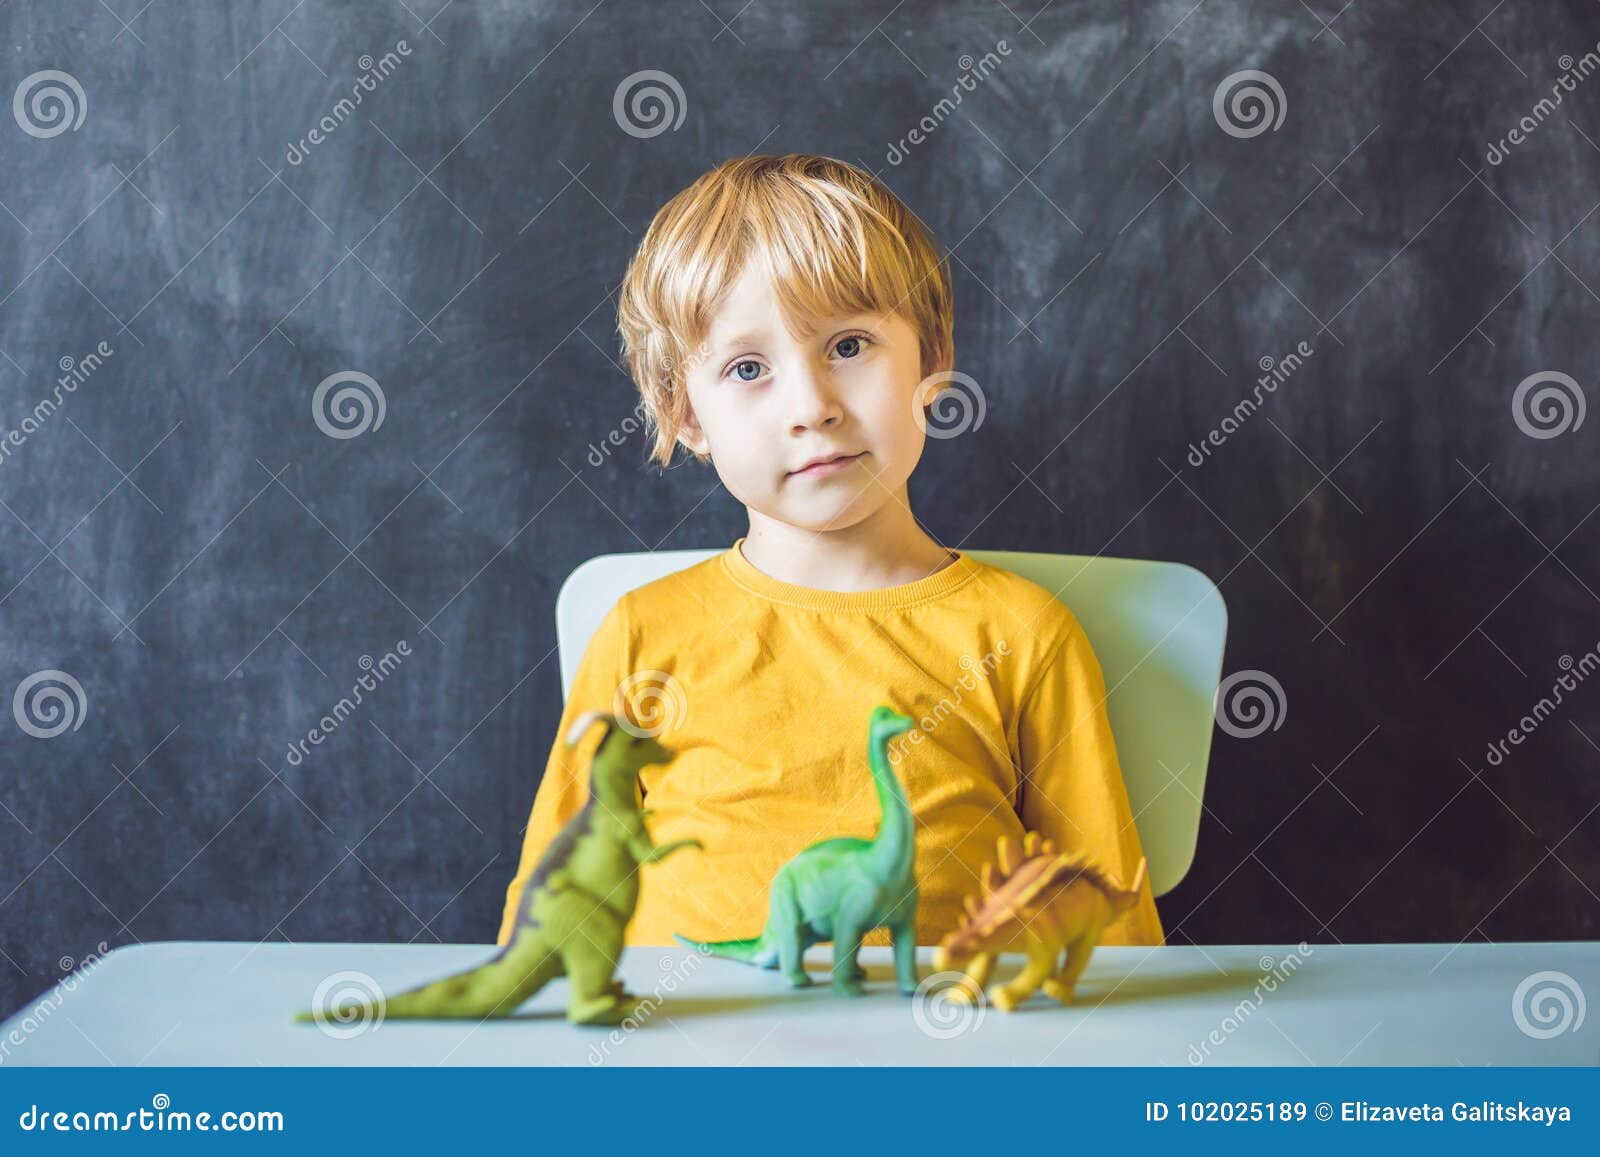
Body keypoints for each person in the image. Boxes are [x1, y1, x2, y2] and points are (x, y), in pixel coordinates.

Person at [498, 153, 1164, 951]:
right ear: (687, 417)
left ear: (932, 360)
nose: (812, 406)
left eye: (849, 346)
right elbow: (552, 903)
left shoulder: (1025, 636)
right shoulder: (641, 633)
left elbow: (1107, 929)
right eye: (748, 368)